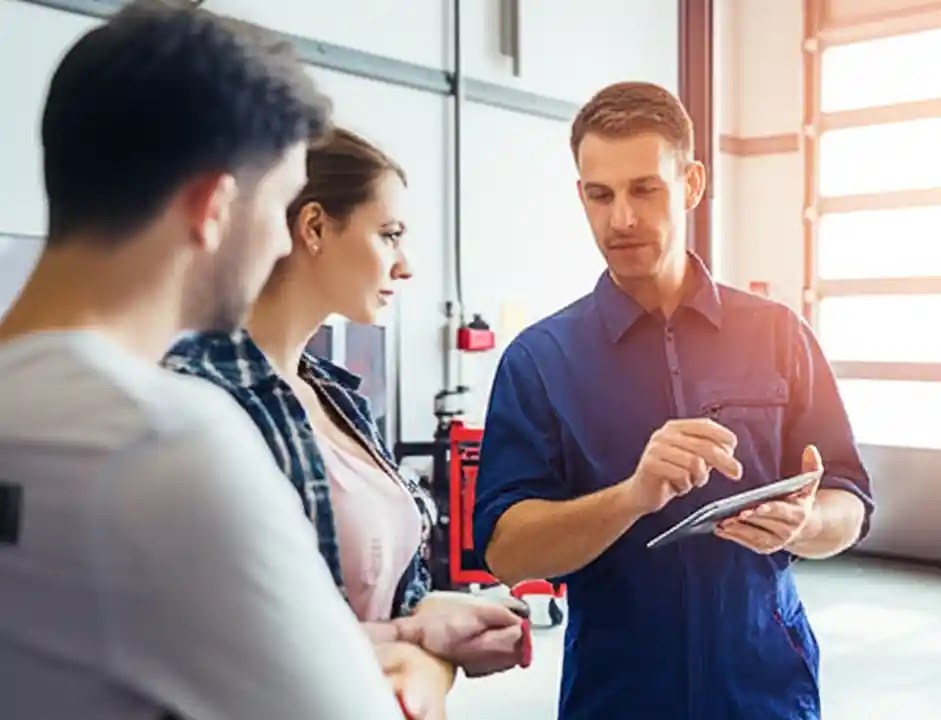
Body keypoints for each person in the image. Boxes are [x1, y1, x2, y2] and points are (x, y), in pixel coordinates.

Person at [0, 2, 436, 718]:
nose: (278, 243)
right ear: (211, 207)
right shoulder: (165, 440)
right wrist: (426, 662)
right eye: (280, 205)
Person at [472, 80, 876, 720]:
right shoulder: (539, 362)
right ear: (581, 195)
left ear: (690, 184)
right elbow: (506, 549)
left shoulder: (777, 335)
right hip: (619, 697)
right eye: (600, 195)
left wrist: (805, 524)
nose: (621, 218)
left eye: (645, 189)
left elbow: (849, 498)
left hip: (765, 691)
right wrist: (632, 497)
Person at [163, 127, 529, 681]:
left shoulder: (337, 397)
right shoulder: (206, 397)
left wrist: (439, 621)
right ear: (313, 227)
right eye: (389, 234)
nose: (405, 265)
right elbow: (218, 640)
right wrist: (412, 638)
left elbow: (389, 595)